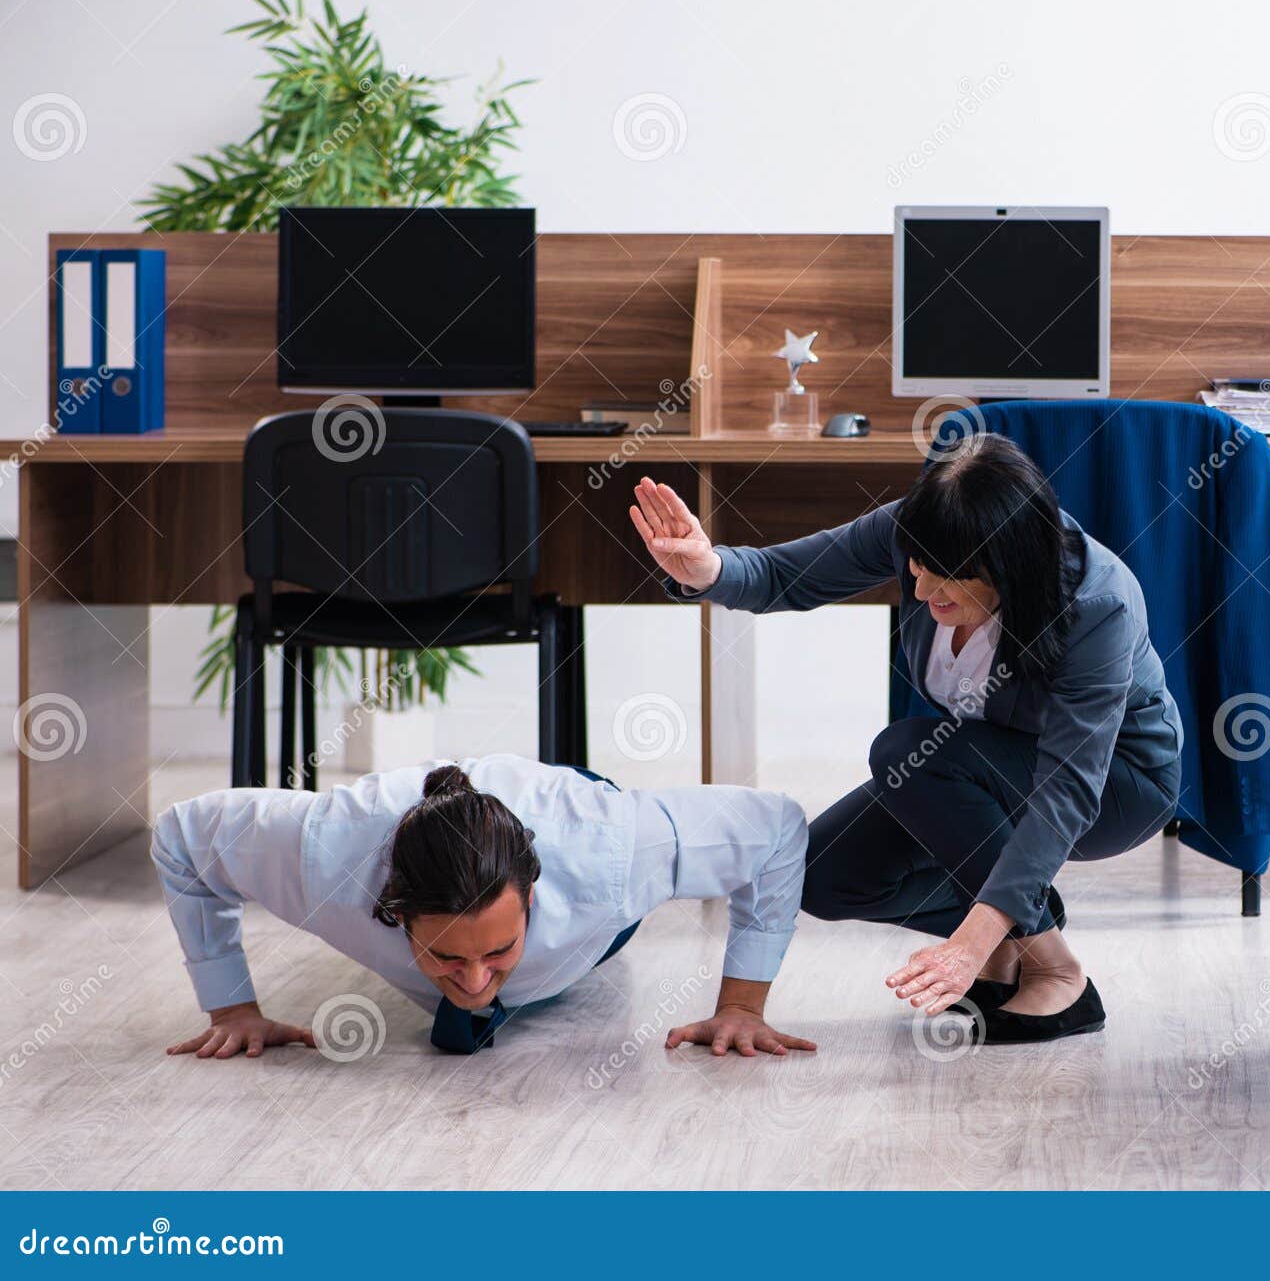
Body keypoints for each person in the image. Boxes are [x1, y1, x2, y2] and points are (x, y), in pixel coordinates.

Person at [629, 432, 1182, 1044]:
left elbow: (1069, 786)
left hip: (1114, 787)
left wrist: (966, 945)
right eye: (918, 569)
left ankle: (1058, 972)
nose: (920, 592)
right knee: (822, 874)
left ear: (1009, 562)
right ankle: (1016, 935)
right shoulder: (921, 529)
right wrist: (709, 570)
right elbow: (787, 574)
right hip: (982, 767)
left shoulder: (1097, 602)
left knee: (908, 753)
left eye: (946, 580)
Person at [155, 756, 814, 1060]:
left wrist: (741, 1007)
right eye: (444, 955)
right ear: (394, 907)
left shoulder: (616, 853)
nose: (472, 981)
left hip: (582, 858)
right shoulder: (318, 857)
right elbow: (180, 836)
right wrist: (233, 1008)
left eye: (497, 950)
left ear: (532, 898)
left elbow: (777, 828)